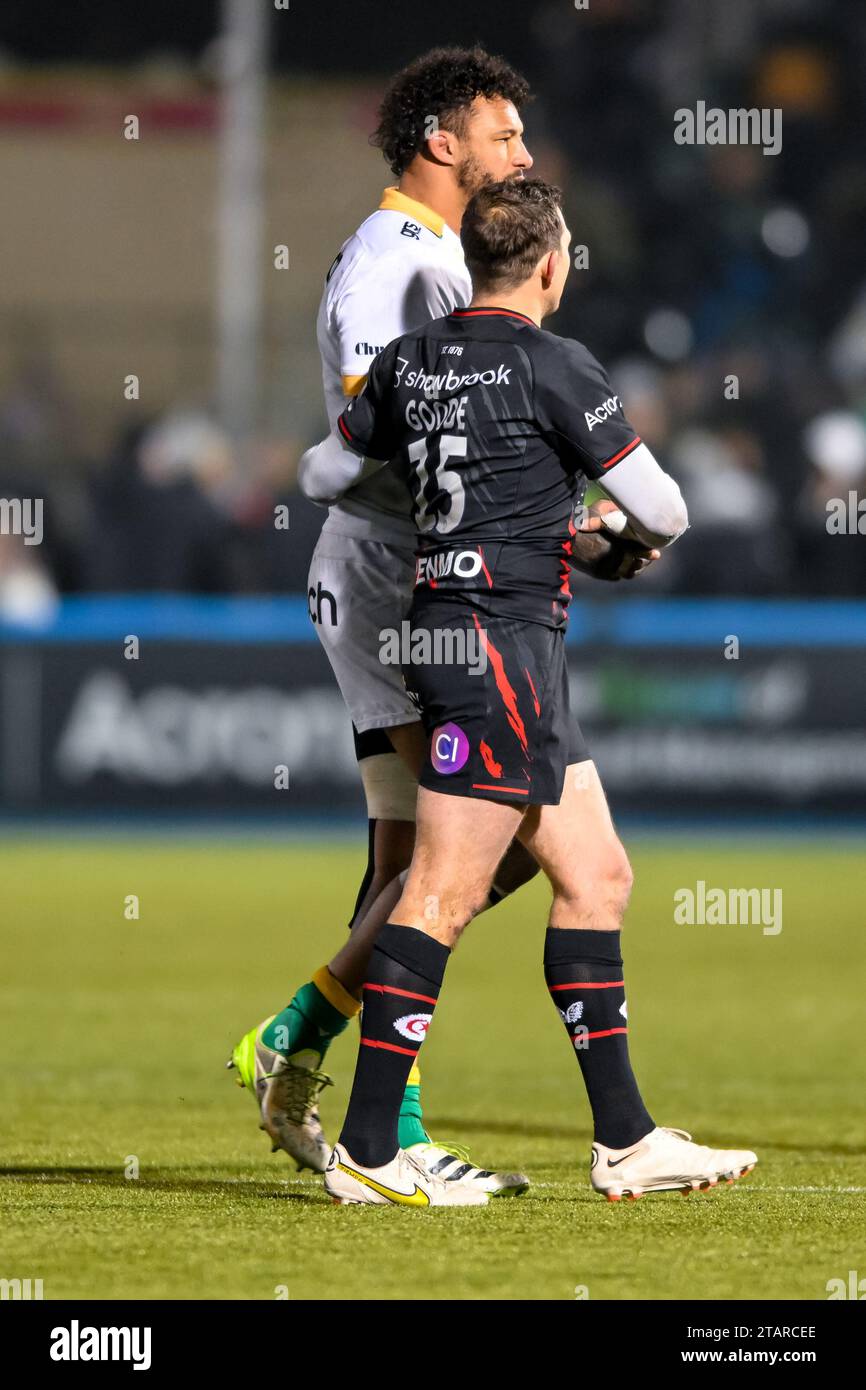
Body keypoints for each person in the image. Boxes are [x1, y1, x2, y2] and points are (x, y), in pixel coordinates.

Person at [312, 177, 757, 1206]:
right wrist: (619, 539)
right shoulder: (555, 363)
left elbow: (329, 472)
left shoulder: (411, 360)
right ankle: (372, 1148)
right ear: (552, 264)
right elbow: (666, 506)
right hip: (497, 648)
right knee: (441, 892)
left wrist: (523, 520)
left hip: (455, 632)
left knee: (596, 874)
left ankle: (626, 1138)